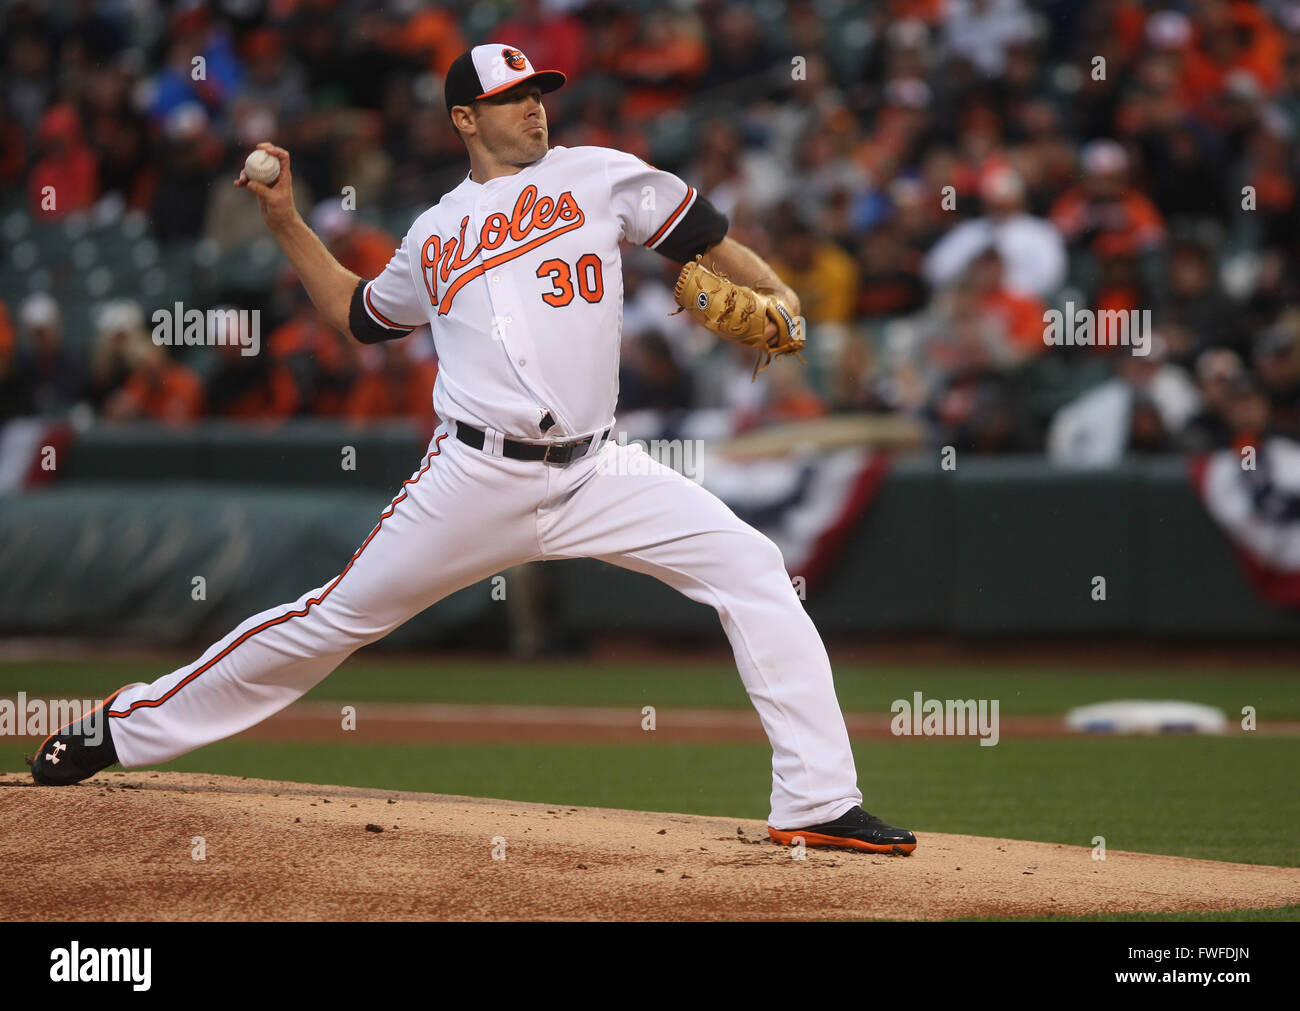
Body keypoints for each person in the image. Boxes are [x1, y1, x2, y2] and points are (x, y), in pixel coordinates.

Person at [31, 45, 915, 857]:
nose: (534, 109)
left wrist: (778, 293)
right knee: (332, 618)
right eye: (511, 98)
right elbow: (356, 314)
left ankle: (816, 799)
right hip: (473, 475)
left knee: (753, 567)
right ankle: (121, 727)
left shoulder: (601, 175)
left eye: (538, 94)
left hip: (601, 468)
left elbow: (705, 236)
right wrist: (285, 222)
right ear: (464, 119)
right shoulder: (433, 232)